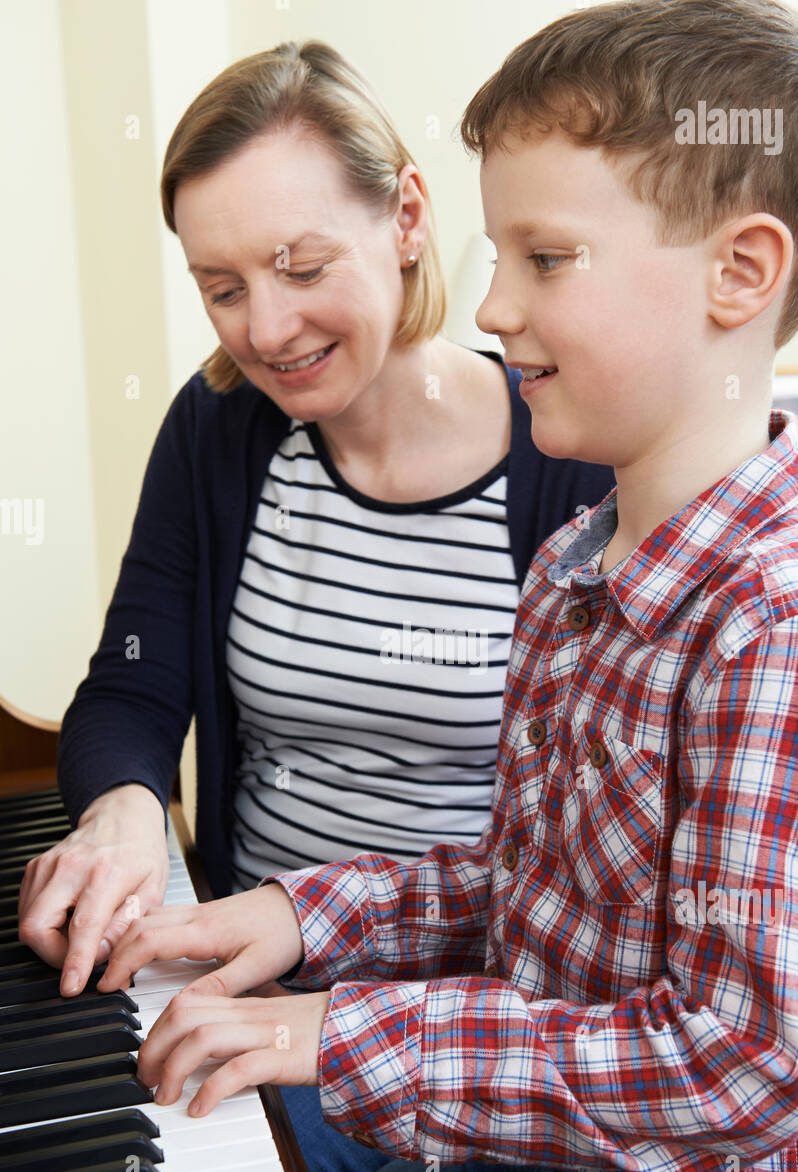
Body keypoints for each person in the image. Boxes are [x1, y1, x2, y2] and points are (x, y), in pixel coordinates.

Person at [58, 0, 798, 1172]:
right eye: (502, 255)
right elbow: (523, 888)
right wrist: (293, 909)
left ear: (739, 273)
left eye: (544, 257)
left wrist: (338, 1027)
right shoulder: (572, 567)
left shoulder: (789, 625)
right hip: (527, 1151)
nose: (491, 304)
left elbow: (730, 1067)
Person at [17, 40, 612, 995]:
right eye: (222, 288)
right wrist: (124, 808)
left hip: (466, 1021)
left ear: (407, 217)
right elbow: (133, 686)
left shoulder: (569, 456)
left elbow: (587, 848)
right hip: (235, 979)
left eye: (300, 269)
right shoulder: (217, 429)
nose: (263, 329)